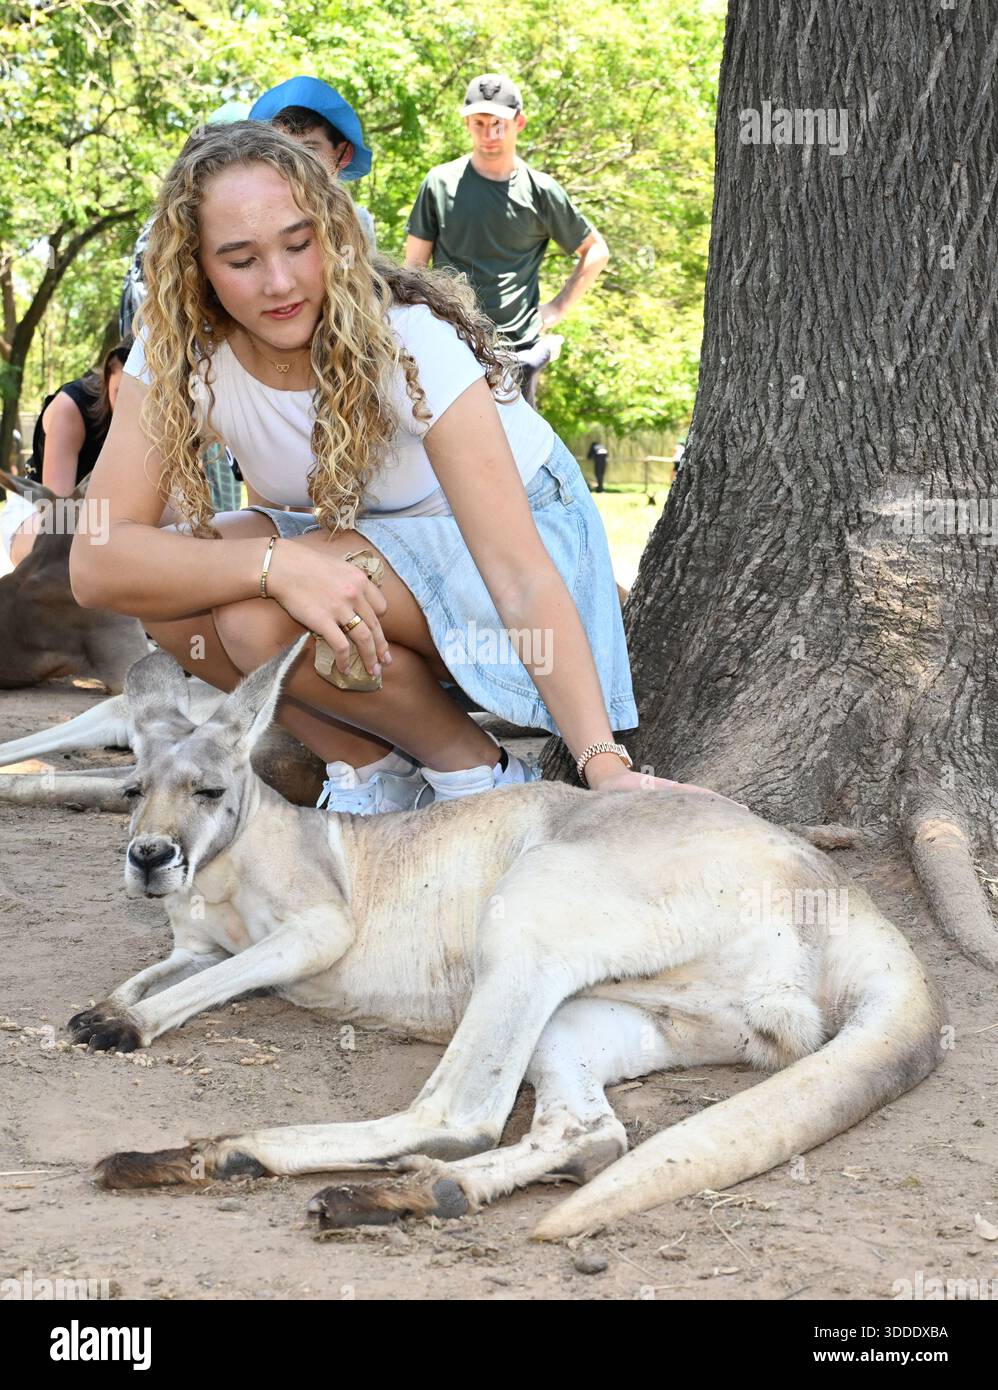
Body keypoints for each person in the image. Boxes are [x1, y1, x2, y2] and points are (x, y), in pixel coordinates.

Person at [70, 122, 669, 822]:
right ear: (197, 267)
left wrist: (605, 766)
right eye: (240, 260)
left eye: (300, 244)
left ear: (333, 231)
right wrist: (279, 564)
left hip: (517, 559)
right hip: (353, 556)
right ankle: (373, 764)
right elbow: (101, 559)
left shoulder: (409, 337)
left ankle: (479, 771)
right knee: (183, 590)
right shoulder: (175, 349)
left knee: (250, 609)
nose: (281, 281)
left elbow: (519, 571)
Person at [405, 74, 609, 408]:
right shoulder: (439, 184)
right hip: (451, 346)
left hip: (518, 353)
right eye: (479, 123)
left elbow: (595, 251)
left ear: (519, 123)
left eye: (498, 123)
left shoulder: (541, 191)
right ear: (468, 124)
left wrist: (557, 308)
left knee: (520, 458)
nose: (489, 134)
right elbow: (412, 271)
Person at [2, 339, 131, 568]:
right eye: (121, 392)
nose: (128, 406)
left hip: (104, 516)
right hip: (38, 511)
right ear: (111, 369)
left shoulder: (155, 412)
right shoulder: (70, 408)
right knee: (70, 548)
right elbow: (58, 514)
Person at [249, 76, 376, 249]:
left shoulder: (359, 224)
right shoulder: (254, 219)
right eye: (282, 149)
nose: (294, 161)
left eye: (309, 149)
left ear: (343, 154)